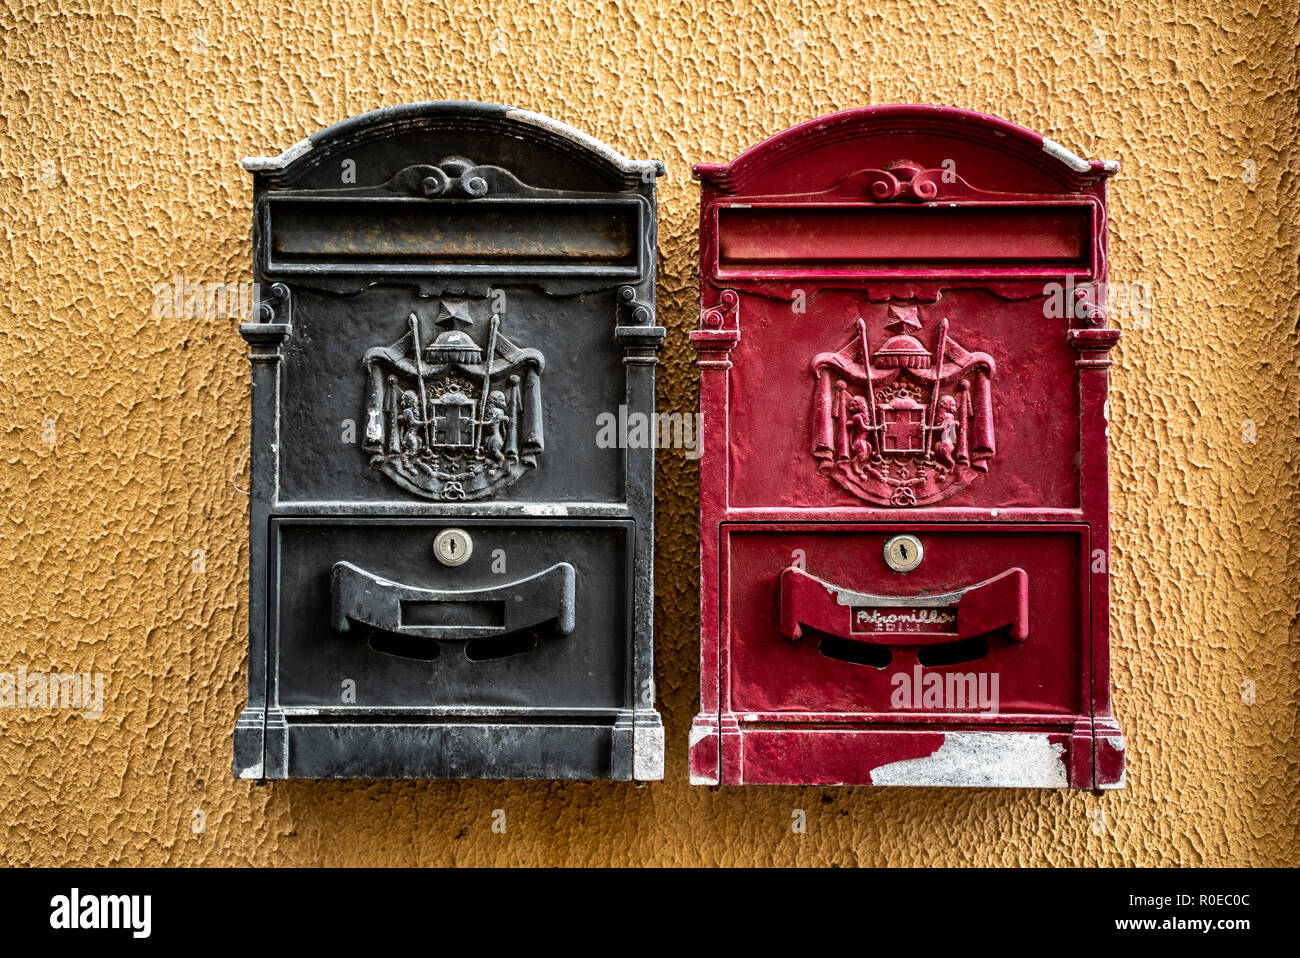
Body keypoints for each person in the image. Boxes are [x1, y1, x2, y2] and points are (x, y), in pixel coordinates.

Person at [932, 395, 960, 470]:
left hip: (946, 441)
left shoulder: (948, 416)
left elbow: (943, 427)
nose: (954, 408)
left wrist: (929, 428)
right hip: (942, 440)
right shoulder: (941, 414)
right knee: (937, 447)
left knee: (946, 455)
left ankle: (951, 466)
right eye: (952, 405)